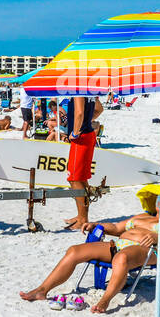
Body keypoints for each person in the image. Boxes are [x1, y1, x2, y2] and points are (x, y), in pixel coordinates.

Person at [21, 184, 160, 313]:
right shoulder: (142, 216)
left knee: (121, 258)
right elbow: (117, 228)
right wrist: (96, 225)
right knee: (74, 251)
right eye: (159, 198)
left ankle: (105, 301)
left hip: (147, 251)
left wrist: (157, 236)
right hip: (118, 245)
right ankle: (41, 291)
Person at [63, 95, 103, 229]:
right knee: (82, 178)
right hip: (88, 135)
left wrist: (75, 132)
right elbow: (99, 109)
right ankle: (81, 215)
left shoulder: (78, 90)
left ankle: (82, 218)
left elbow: (79, 112)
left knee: (74, 178)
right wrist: (87, 121)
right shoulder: (89, 90)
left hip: (81, 137)